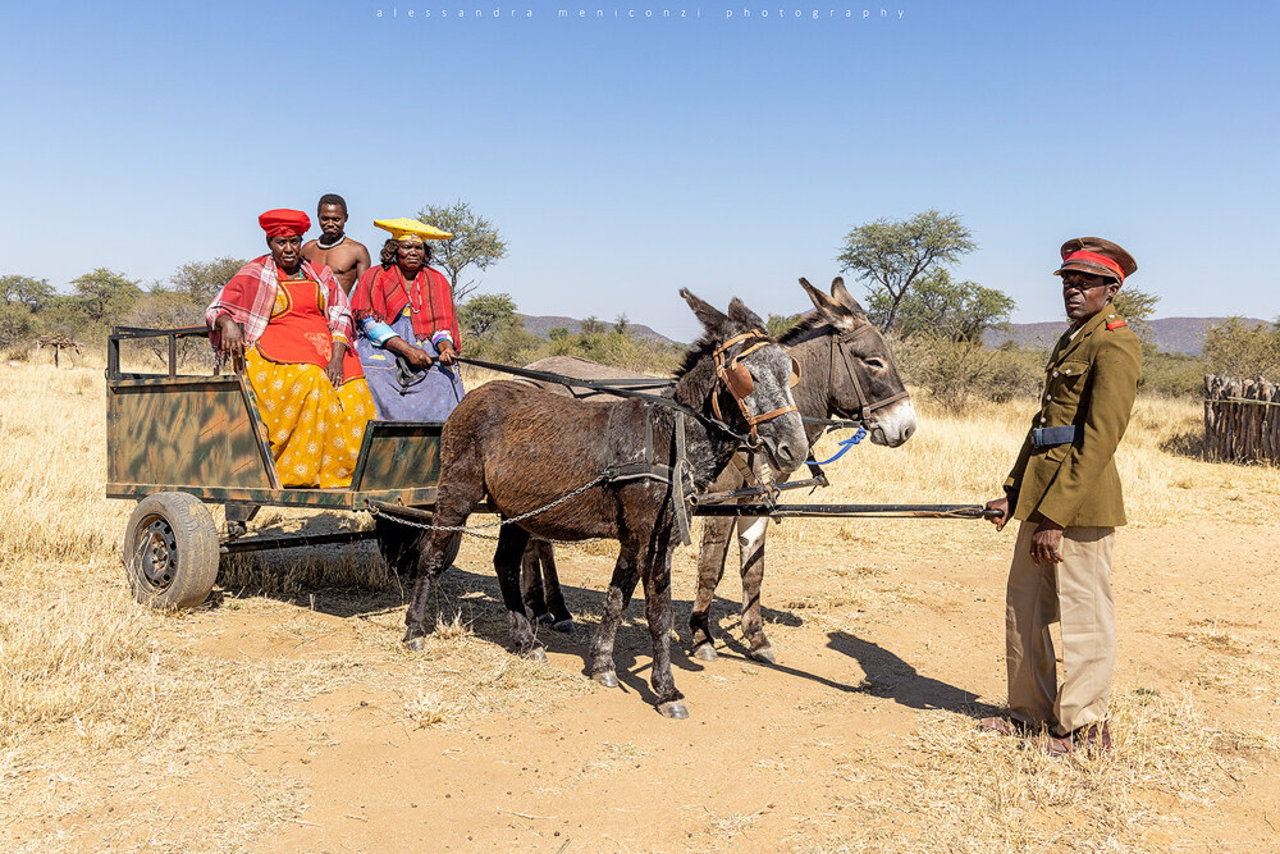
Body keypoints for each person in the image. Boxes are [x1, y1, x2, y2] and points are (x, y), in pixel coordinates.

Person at [982, 237, 1143, 756]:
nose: (1073, 289)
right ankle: (1028, 713)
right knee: (1023, 608)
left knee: (1084, 614)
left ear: (1111, 288)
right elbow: (1044, 428)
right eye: (1068, 281)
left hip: (1079, 504)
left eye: (1085, 281)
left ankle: (1084, 727)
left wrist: (1055, 513)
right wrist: (1013, 490)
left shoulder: (1115, 342)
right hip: (1039, 498)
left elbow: (1099, 438)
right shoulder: (1070, 340)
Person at [206, 208, 375, 488]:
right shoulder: (254, 272)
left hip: (325, 350)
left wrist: (336, 355)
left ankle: (350, 474)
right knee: (312, 380)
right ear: (269, 244)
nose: (288, 249)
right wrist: (227, 323)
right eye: (280, 242)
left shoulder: (319, 272)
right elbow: (216, 308)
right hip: (274, 353)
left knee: (356, 388)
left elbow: (341, 312)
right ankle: (302, 472)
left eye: (294, 241)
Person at [349, 217, 465, 420]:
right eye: (407, 247)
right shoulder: (375, 276)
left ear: (425, 252)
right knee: (372, 375)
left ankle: (437, 442)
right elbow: (369, 322)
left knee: (444, 378)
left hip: (425, 344)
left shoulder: (436, 281)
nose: (413, 252)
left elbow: (441, 327)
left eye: (418, 248)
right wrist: (407, 350)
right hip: (383, 344)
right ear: (394, 250)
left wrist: (446, 348)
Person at [301, 193, 371, 294]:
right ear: (318, 217)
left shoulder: (357, 251)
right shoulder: (307, 249)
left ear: (345, 218)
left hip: (339, 308)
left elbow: (364, 293)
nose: (330, 224)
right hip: (308, 308)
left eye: (336, 219)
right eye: (325, 219)